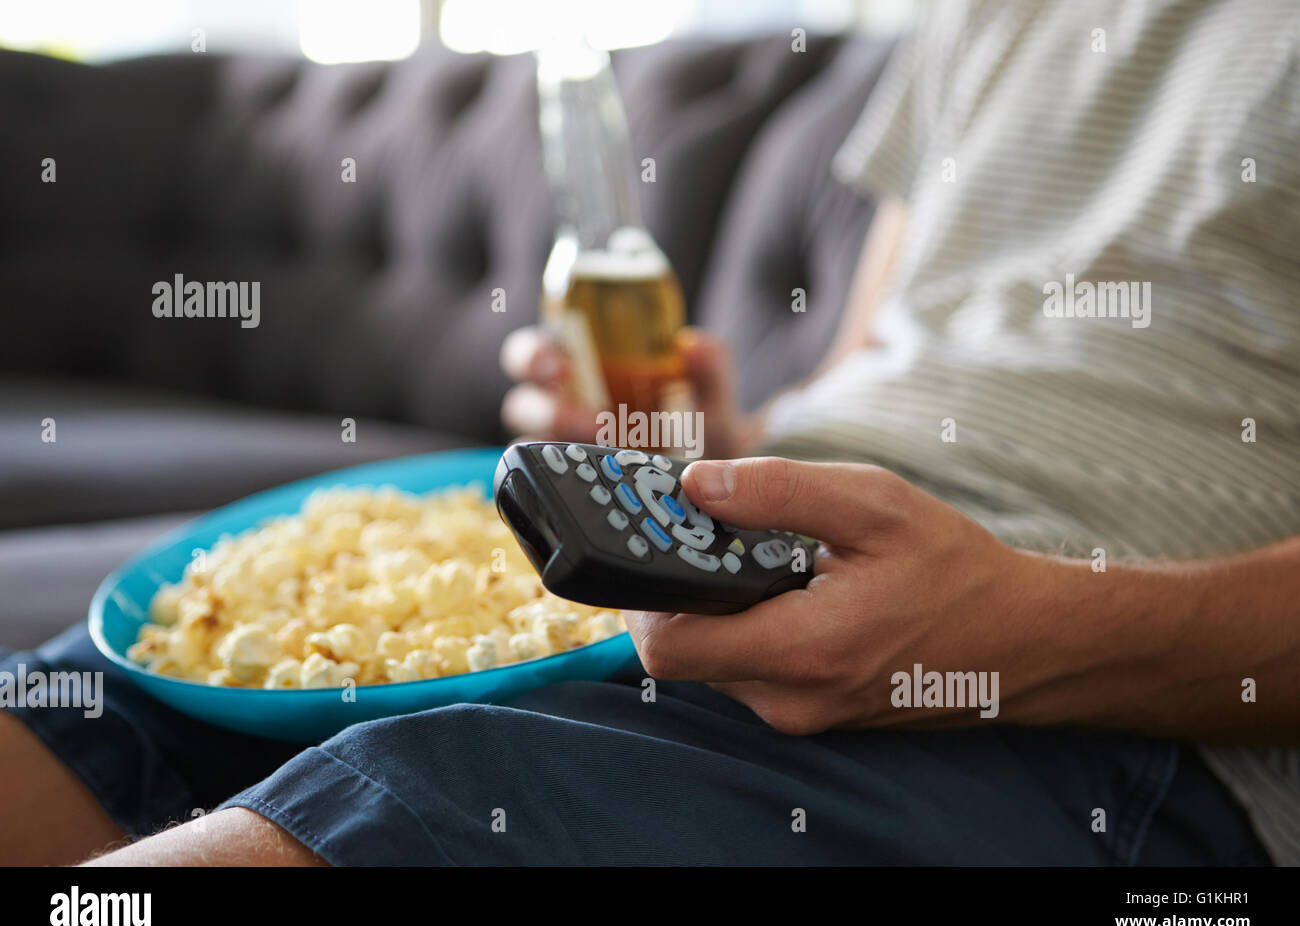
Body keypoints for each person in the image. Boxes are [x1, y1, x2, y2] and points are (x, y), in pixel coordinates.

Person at [2, 0, 1295, 866]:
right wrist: (728, 435)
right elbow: (875, 376)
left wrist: (1024, 634)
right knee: (101, 696)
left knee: (410, 792)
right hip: (793, 569)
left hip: (1119, 714)